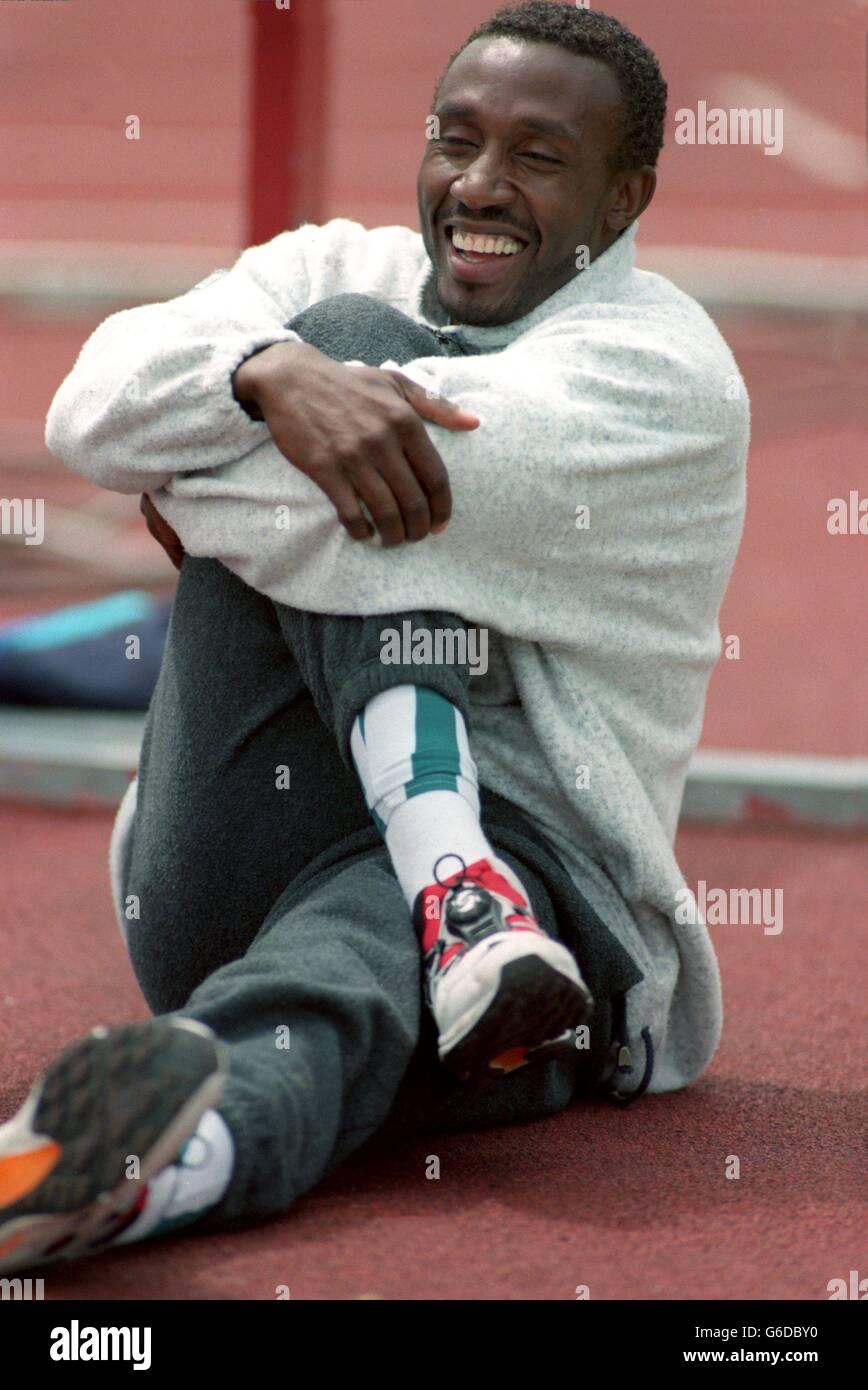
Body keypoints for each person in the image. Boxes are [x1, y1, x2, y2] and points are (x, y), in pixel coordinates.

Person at [0, 3, 748, 1274]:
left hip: (550, 955)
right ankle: (452, 892)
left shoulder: (658, 375)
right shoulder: (329, 267)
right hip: (226, 867)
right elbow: (87, 406)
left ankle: (151, 1169)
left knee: (342, 964)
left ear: (624, 198)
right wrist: (256, 378)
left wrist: (185, 477)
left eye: (538, 156)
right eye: (456, 138)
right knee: (328, 352)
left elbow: (397, 485)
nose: (479, 184)